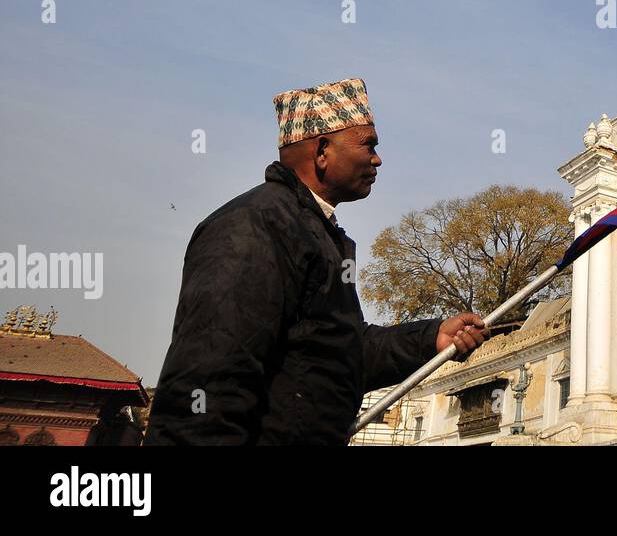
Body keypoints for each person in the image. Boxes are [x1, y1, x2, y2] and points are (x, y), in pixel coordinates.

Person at [145, 78, 488, 445]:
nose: (378, 158)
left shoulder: (316, 231)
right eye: (367, 144)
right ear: (322, 151)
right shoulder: (254, 226)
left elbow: (336, 354)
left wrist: (430, 338)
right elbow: (208, 381)